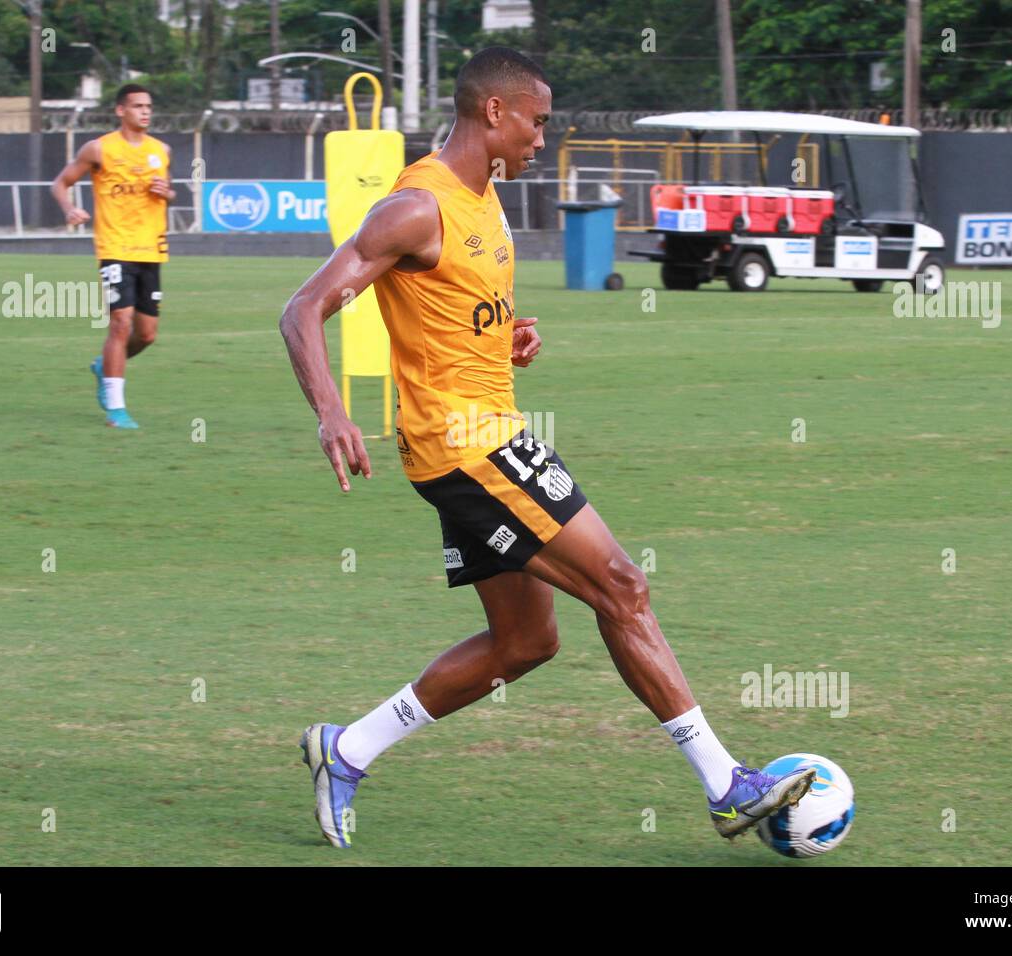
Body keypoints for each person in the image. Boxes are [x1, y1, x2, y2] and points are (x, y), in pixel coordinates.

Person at [280, 47, 814, 849]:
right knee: (622, 587)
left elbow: (454, 318)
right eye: (537, 120)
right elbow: (302, 308)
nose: (542, 136)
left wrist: (507, 343)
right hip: (466, 447)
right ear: (493, 112)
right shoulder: (417, 206)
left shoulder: (485, 198)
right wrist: (332, 411)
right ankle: (727, 785)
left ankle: (346, 750)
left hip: (486, 432)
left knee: (526, 642)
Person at [50, 84, 174, 429]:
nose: (145, 112)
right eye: (137, 106)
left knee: (146, 334)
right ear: (121, 110)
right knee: (120, 323)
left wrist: (170, 192)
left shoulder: (161, 151)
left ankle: (104, 366)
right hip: (114, 248)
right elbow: (60, 183)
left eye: (149, 106)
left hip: (152, 249)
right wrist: (69, 208)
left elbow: (170, 193)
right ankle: (116, 410)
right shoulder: (99, 149)